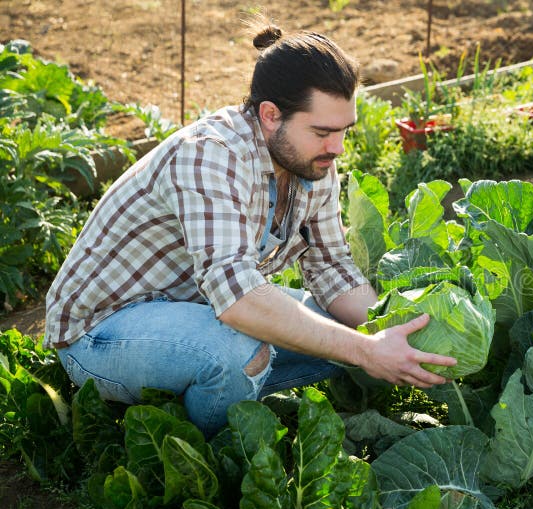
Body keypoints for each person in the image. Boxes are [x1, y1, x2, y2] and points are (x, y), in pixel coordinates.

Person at [43, 23, 455, 436]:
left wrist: (393, 333)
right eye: (323, 132)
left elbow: (332, 268)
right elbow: (238, 299)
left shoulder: (310, 162)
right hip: (102, 330)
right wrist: (366, 352)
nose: (338, 148)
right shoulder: (209, 156)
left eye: (344, 130)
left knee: (339, 330)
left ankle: (210, 387)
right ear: (270, 115)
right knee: (239, 350)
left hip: (194, 309)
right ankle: (213, 452)